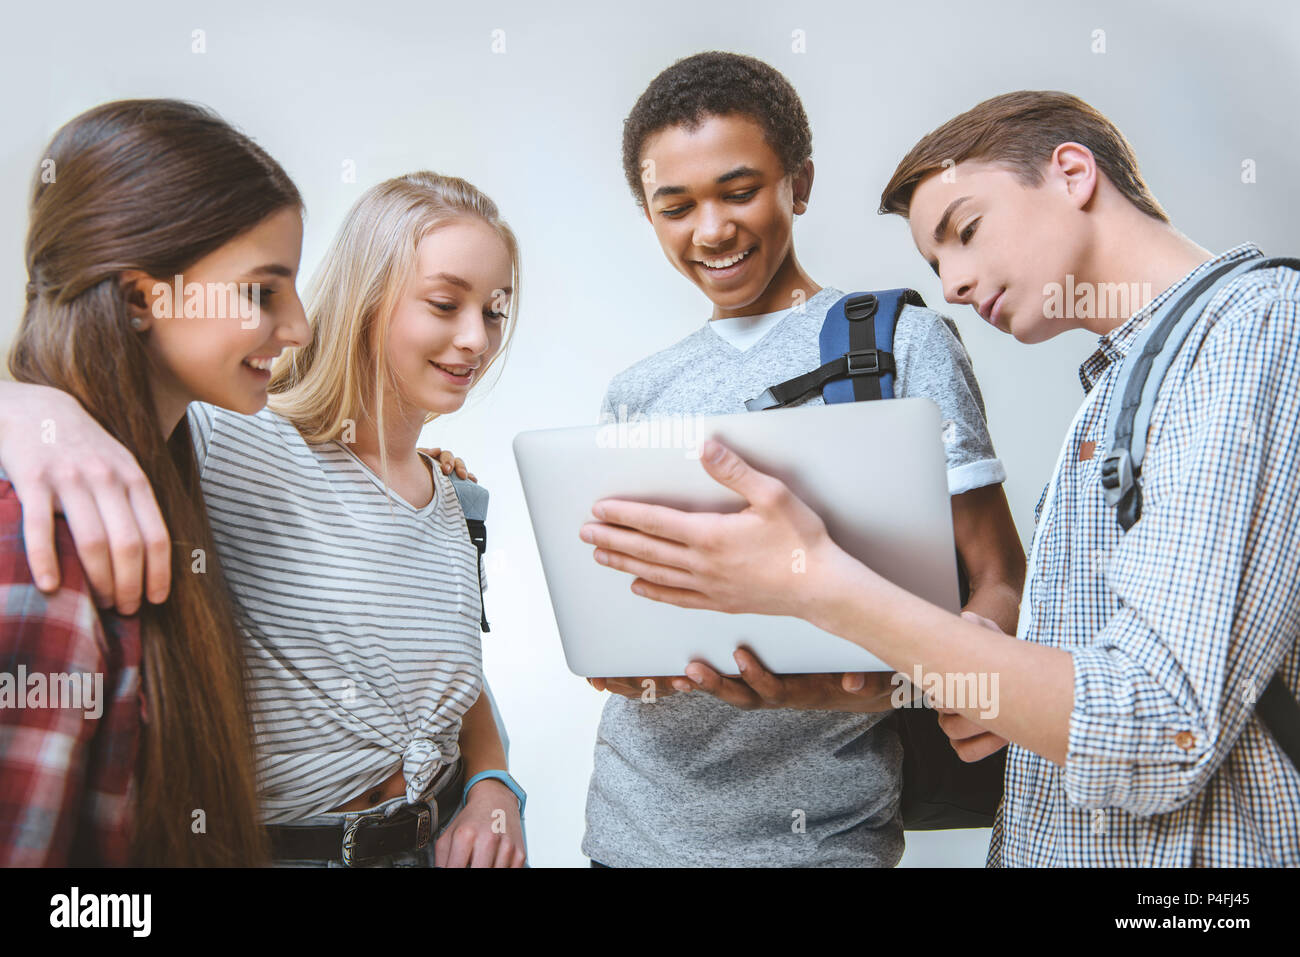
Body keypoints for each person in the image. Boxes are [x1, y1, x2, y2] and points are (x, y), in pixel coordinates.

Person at [579, 90, 1300, 866]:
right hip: (634, 828)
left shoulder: (1251, 333)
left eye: (967, 231)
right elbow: (1077, 670)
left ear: (1071, 173)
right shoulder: (1118, 391)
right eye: (936, 259)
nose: (953, 283)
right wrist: (957, 675)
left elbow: (1155, 722)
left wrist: (816, 583)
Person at [0, 143, 527, 862]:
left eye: (495, 311)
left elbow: (453, 679)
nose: (477, 339)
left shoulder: (455, 502)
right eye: (445, 303)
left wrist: (495, 784)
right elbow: (110, 379)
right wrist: (21, 408)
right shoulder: (234, 438)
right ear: (367, 296)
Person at [581, 52, 1025, 867]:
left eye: (739, 191)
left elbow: (999, 578)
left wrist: (886, 684)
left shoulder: (897, 343)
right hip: (630, 829)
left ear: (800, 183)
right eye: (674, 205)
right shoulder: (635, 390)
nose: (710, 229)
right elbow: (618, 600)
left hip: (823, 839)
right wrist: (616, 659)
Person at [0, 98, 309, 865]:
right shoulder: (50, 535)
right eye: (262, 291)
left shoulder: (182, 463)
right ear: (143, 298)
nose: (299, 325)